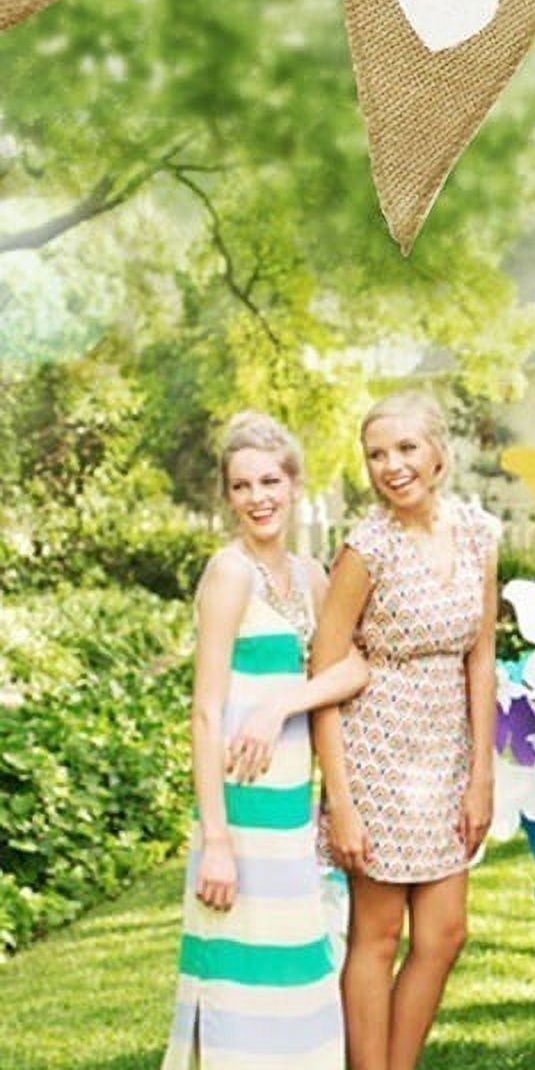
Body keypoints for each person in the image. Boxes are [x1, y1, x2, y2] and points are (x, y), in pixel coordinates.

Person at [162, 411, 369, 1070]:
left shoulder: (309, 576)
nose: (259, 498)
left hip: (289, 818)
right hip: (239, 816)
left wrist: (283, 702)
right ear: (227, 497)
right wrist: (216, 843)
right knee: (238, 988)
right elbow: (205, 713)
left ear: (295, 483)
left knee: (296, 979)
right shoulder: (229, 574)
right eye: (243, 486)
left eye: (270, 481)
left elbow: (354, 666)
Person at [310, 390, 499, 1070]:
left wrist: (481, 773)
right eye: (376, 455)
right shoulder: (366, 547)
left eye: (405, 448)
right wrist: (342, 802)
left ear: (439, 453)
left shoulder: (480, 535)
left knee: (445, 934)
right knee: (379, 934)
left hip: (445, 755)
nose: (391, 466)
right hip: (375, 751)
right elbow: (324, 672)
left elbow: (481, 655)